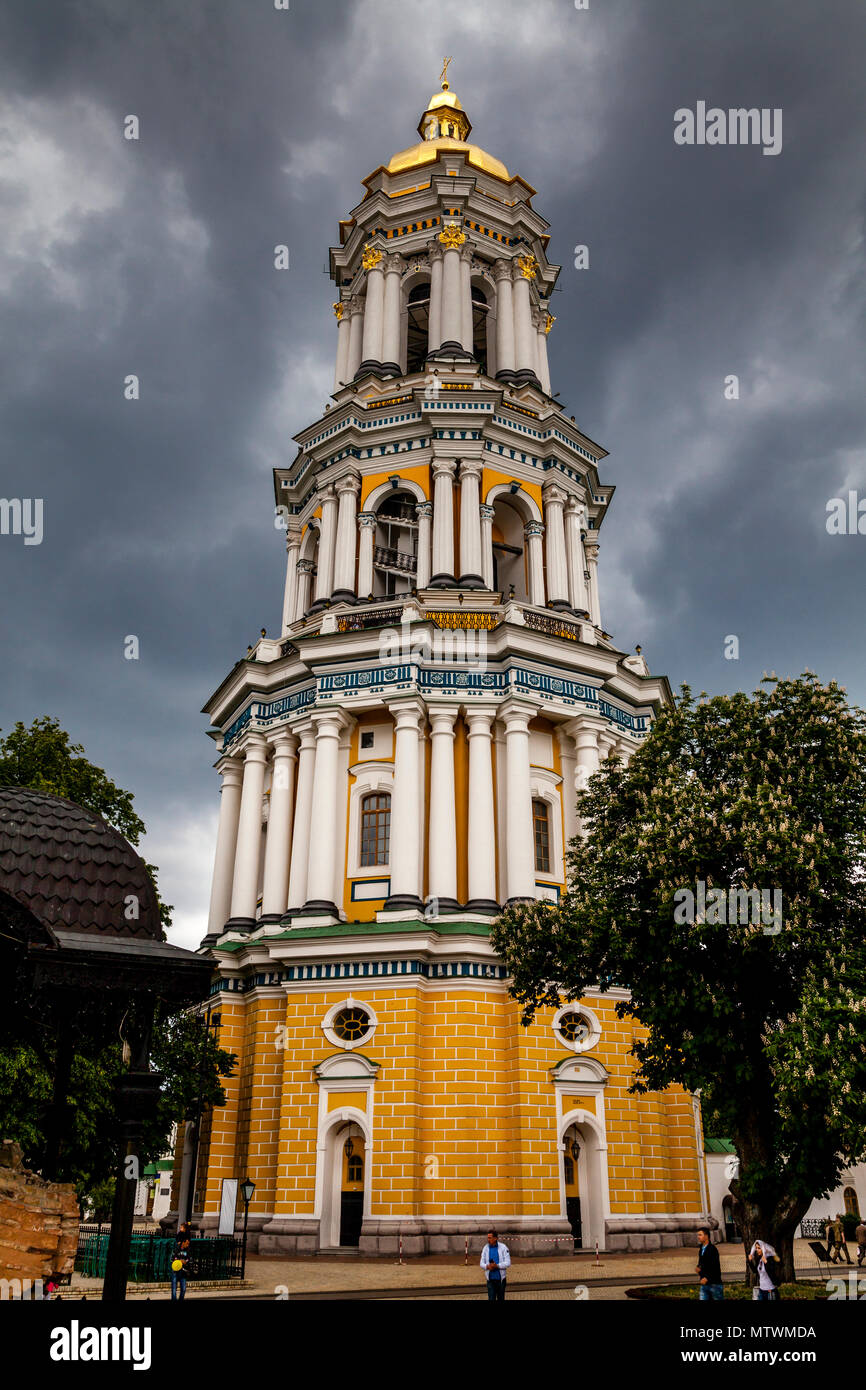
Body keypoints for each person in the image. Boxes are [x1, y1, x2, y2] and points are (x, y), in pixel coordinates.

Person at [480, 1228, 511, 1301]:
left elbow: (508, 1263)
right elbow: (481, 1263)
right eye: (488, 1237)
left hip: (500, 1280)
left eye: (490, 1238)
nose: (488, 1239)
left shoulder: (503, 1247)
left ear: (495, 1238)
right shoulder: (485, 1248)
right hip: (490, 1280)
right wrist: (487, 1266)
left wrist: (497, 1266)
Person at [696, 1228, 724, 1300]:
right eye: (698, 1235)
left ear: (706, 1236)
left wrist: (707, 1278)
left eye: (700, 1235)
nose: (698, 1237)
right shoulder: (701, 1249)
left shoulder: (712, 1249)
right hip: (705, 1284)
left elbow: (715, 1267)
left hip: (715, 1284)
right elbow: (702, 1263)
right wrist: (698, 1268)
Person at [170, 1222, 192, 1301]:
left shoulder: (188, 1250)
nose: (188, 1243)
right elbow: (172, 1258)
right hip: (175, 1271)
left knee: (183, 1289)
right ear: (183, 1242)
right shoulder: (177, 1249)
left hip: (183, 1271)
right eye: (187, 1242)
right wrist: (179, 1261)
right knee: (174, 1289)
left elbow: (189, 1259)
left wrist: (186, 1261)